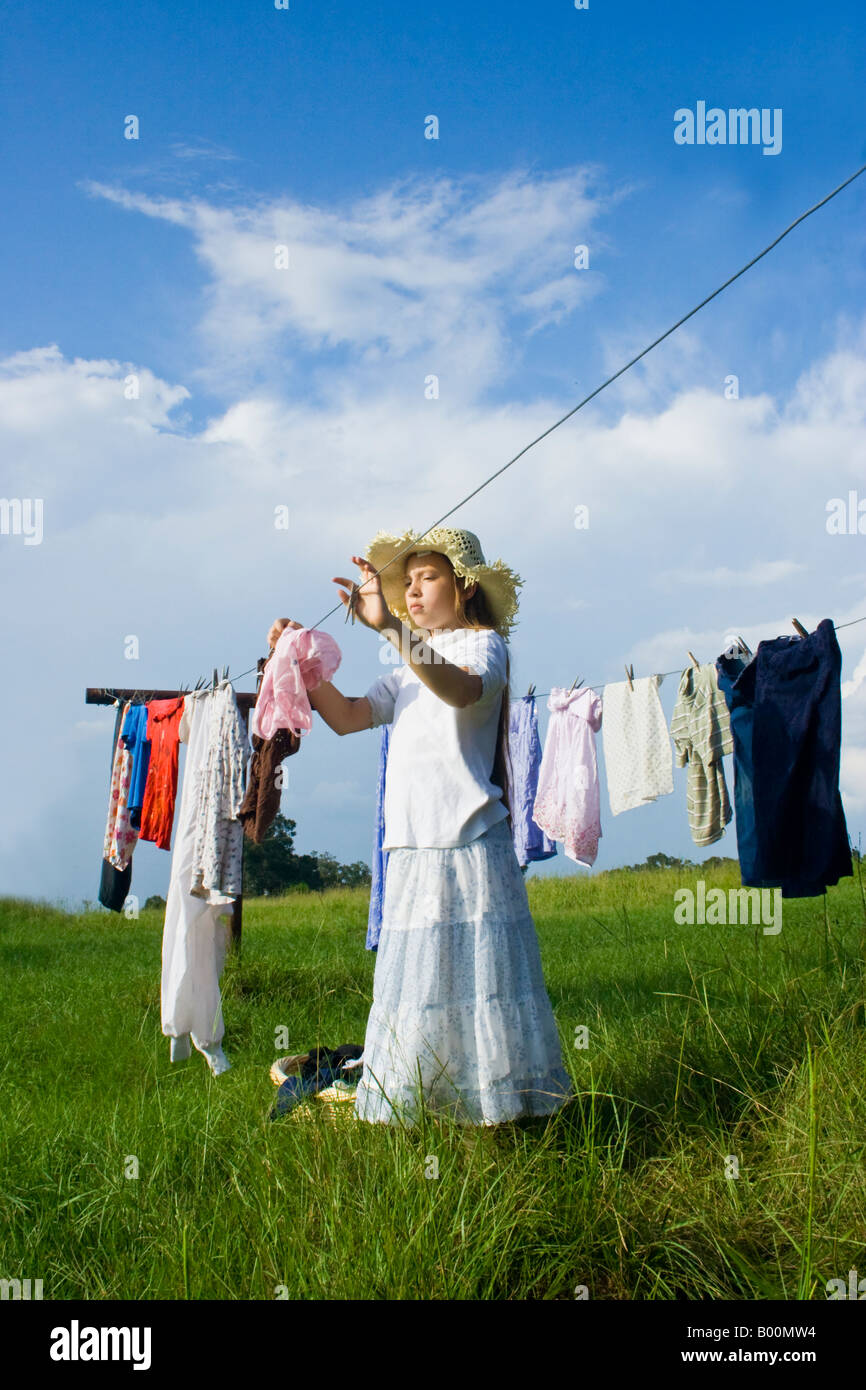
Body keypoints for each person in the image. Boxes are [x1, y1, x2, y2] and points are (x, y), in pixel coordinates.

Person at [268, 526, 572, 1127]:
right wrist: (299, 663)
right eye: (405, 582)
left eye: (426, 577)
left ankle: (498, 1113)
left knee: (480, 979)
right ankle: (431, 1107)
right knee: (426, 986)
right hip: (410, 846)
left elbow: (462, 692)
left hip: (468, 840)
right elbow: (349, 717)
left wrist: (391, 630)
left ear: (462, 586)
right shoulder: (407, 670)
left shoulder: (482, 646)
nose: (410, 590)